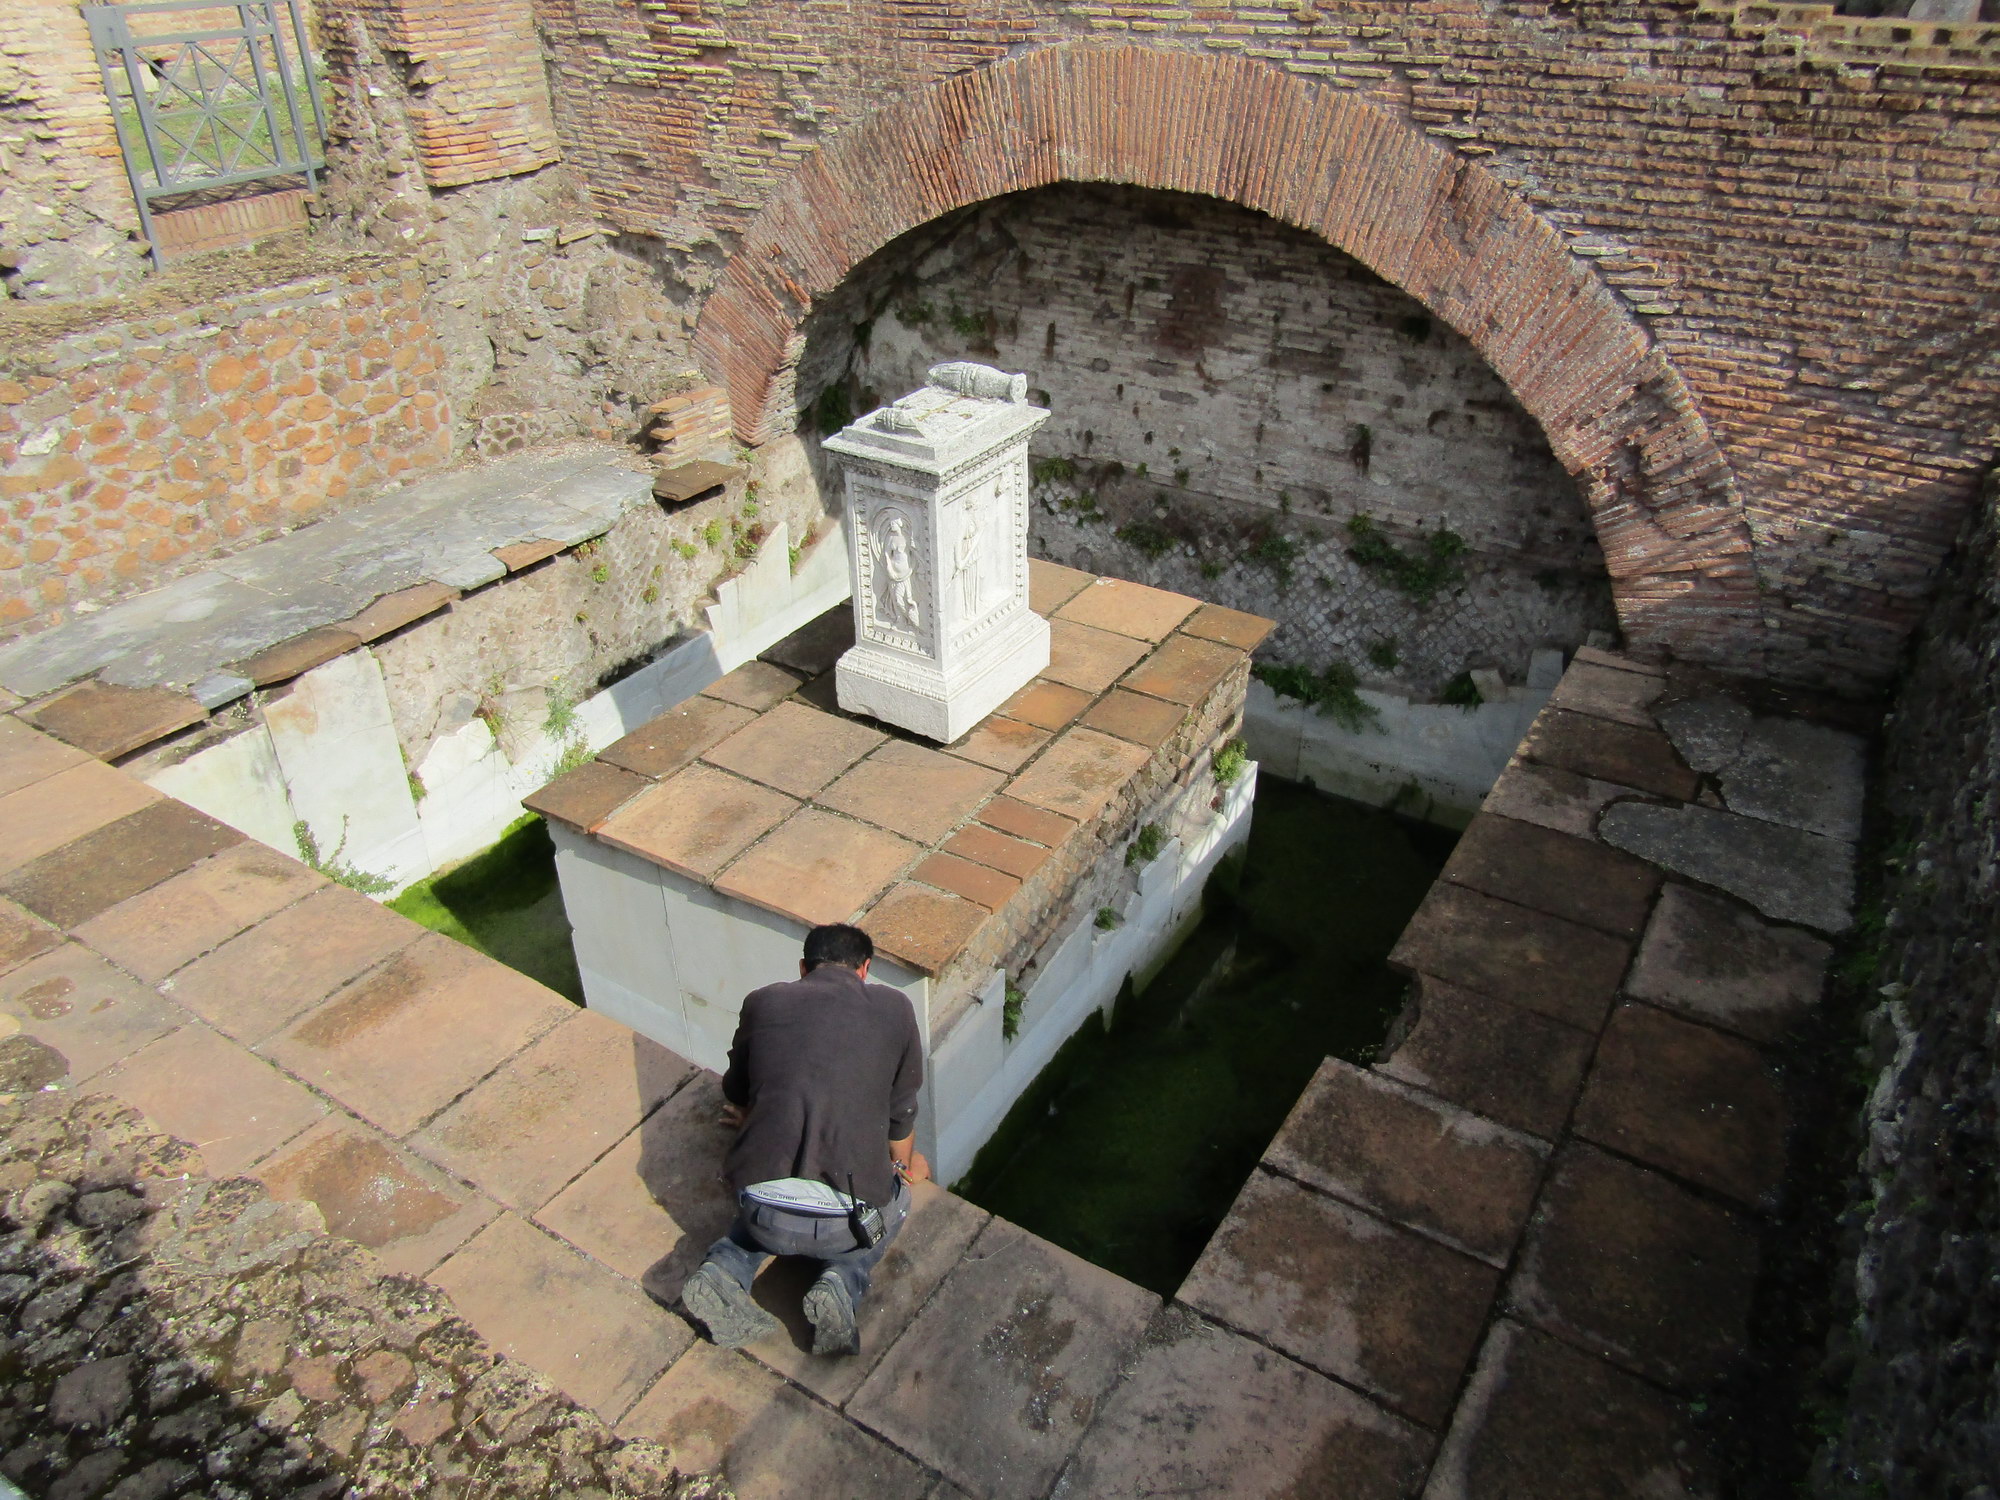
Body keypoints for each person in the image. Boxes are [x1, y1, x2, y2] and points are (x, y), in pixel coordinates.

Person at [681, 923, 931, 1356]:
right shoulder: (895, 1009)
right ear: (865, 969)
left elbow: (735, 1090)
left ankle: (723, 1269)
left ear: (803, 968)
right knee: (899, 1199)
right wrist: (905, 1168)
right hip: (844, 1226)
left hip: (759, 1210)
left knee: (758, 1221)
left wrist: (756, 1116)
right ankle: (841, 1281)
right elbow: (901, 1111)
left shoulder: (763, 1001)